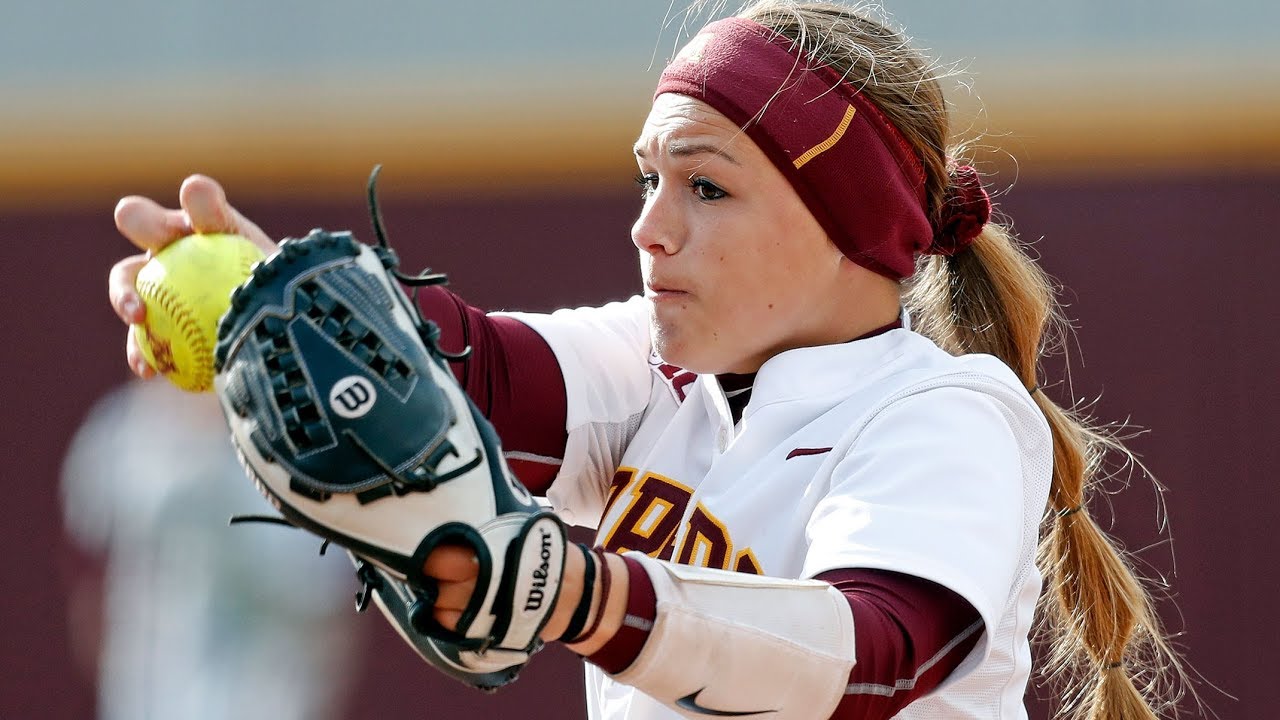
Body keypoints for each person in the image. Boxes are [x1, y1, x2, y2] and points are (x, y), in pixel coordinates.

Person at [106, 1, 1182, 718]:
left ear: (843, 224)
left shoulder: (938, 408)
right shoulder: (659, 368)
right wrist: (267, 300)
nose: (649, 227)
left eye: (703, 186)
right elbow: (463, 372)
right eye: (644, 182)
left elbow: (879, 650)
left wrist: (585, 597)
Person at [61, 380, 360, 720]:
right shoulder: (120, 435)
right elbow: (88, 584)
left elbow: (334, 620)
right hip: (147, 704)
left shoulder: (303, 460)